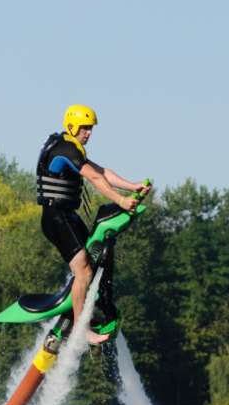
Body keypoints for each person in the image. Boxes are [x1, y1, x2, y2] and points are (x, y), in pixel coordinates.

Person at [36, 104, 151, 336]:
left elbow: (103, 171)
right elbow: (96, 179)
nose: (88, 132)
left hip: (67, 215)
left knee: (94, 260)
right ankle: (81, 329)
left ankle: (86, 310)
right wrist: (121, 201)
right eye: (84, 128)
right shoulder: (65, 149)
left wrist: (133, 186)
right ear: (71, 126)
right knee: (84, 271)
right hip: (56, 218)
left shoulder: (72, 147)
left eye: (90, 128)